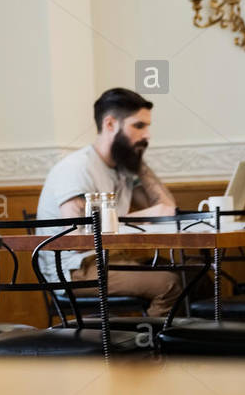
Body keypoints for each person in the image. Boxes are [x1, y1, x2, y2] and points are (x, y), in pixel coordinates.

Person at [36, 87, 182, 319]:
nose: (147, 135)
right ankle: (149, 349)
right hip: (75, 270)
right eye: (139, 126)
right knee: (170, 283)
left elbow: (166, 208)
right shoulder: (77, 168)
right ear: (110, 124)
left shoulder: (122, 168)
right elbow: (75, 240)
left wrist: (138, 161)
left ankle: (183, 350)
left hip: (108, 260)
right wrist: (132, 218)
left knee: (191, 275)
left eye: (147, 127)